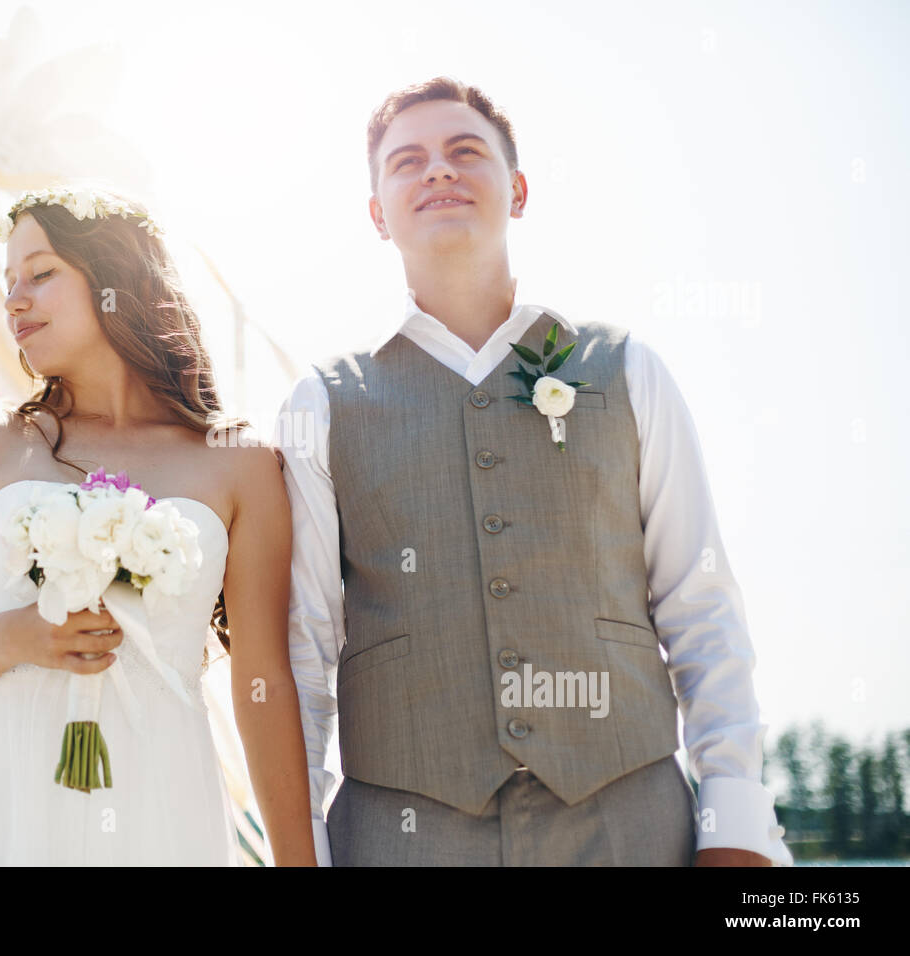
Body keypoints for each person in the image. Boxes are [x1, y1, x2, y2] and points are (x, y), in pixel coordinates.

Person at [275, 76, 792, 866]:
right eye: (407, 161)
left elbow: (700, 601)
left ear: (516, 190)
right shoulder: (323, 401)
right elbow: (305, 640)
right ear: (377, 214)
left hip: (631, 818)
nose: (438, 171)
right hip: (400, 833)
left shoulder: (626, 368)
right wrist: (299, 845)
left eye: (464, 152)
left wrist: (736, 825)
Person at [0, 185, 316, 866]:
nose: (14, 300)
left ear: (118, 276)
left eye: (42, 273)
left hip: (158, 803)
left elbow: (264, 681)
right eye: (9, 282)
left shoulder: (240, 466)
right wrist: (12, 636)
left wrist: (298, 863)